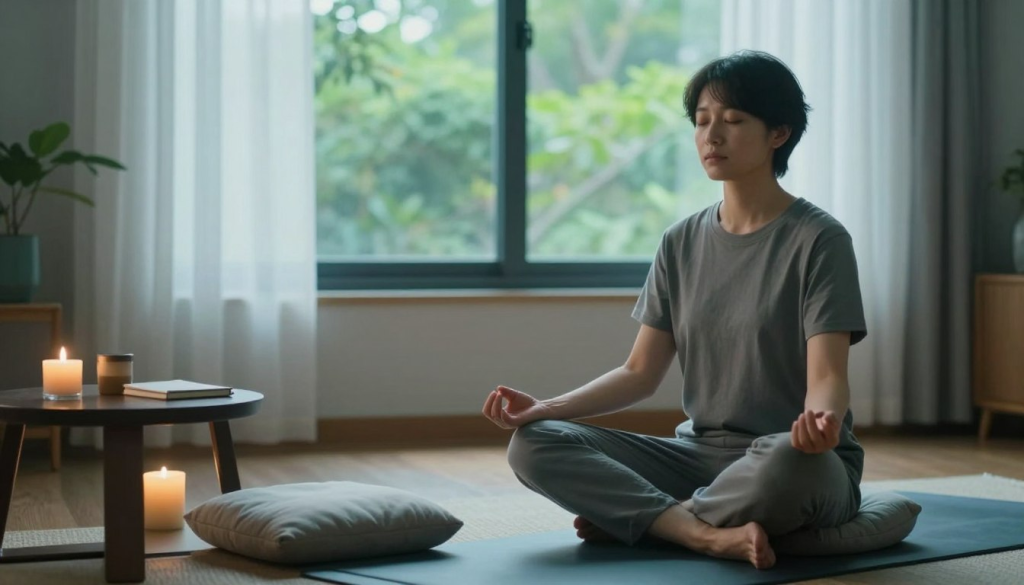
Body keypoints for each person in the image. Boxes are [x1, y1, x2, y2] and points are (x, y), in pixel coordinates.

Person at [481, 50, 867, 570]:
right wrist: (546, 408)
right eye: (702, 122)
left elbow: (828, 375)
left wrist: (821, 420)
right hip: (700, 460)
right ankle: (702, 534)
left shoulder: (820, 239)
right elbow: (639, 373)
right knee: (534, 444)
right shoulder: (680, 240)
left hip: (795, 458)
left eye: (732, 122)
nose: (712, 137)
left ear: (778, 133)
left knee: (785, 464)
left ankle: (653, 523)